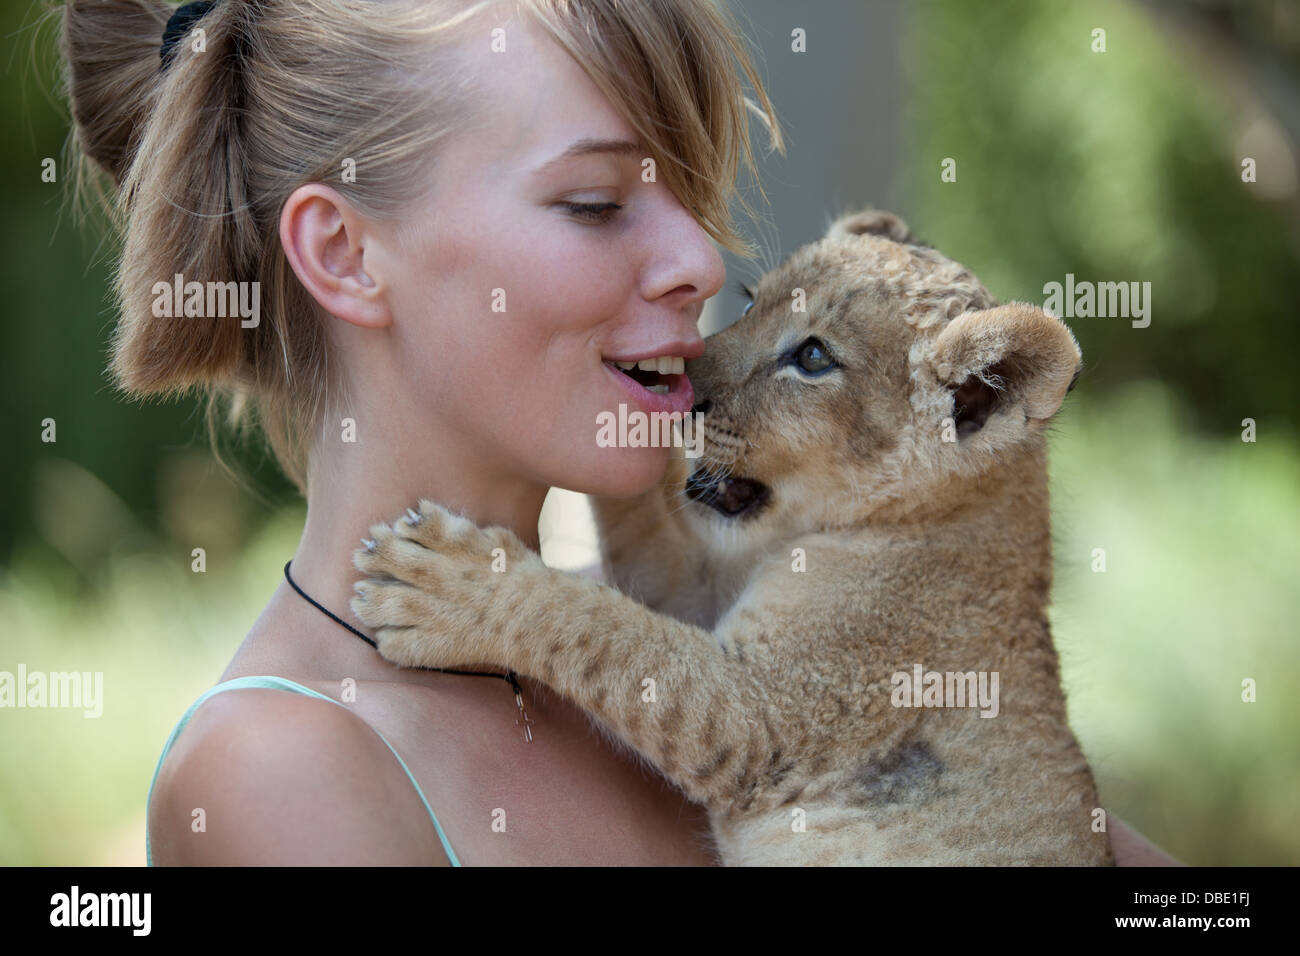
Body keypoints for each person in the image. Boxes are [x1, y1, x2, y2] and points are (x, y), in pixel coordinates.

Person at [60, 0, 1178, 866]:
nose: (701, 261)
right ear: (346, 255)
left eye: (689, 190)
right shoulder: (286, 768)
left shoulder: (697, 646)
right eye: (596, 202)